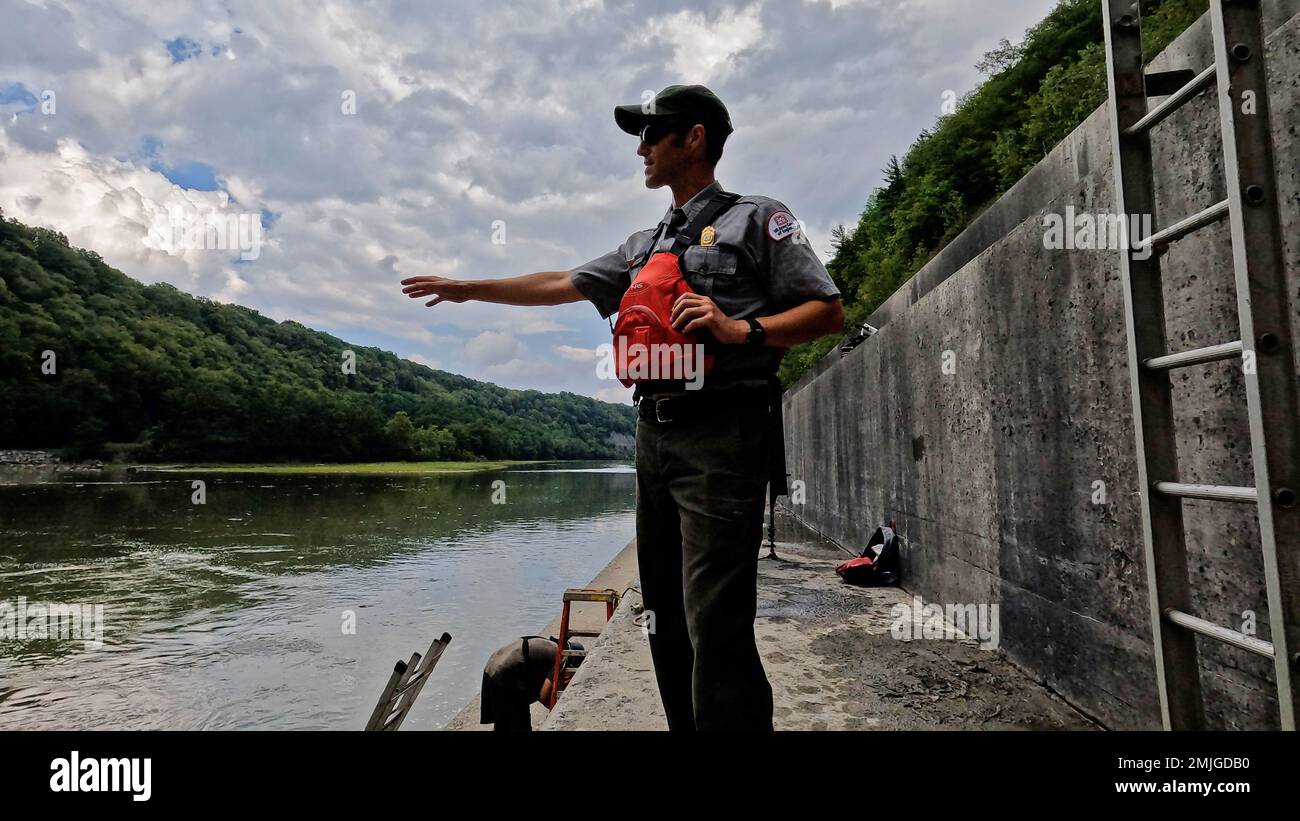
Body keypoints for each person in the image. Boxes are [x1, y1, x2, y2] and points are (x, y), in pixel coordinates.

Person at [402, 84, 844, 731]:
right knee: (663, 617)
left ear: (693, 137)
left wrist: (737, 329)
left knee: (715, 621)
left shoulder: (759, 219)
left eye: (651, 133)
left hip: (723, 433)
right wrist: (468, 288)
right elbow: (560, 281)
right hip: (653, 438)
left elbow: (827, 310)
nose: (640, 148)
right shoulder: (644, 244)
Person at [480, 635, 583, 731]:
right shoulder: (562, 658)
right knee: (520, 724)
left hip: (492, 667)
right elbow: (544, 696)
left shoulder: (550, 646)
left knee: (503, 721)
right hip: (506, 673)